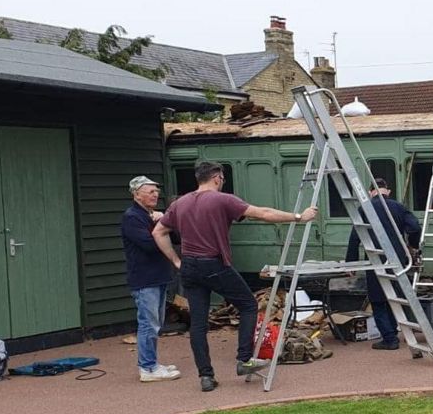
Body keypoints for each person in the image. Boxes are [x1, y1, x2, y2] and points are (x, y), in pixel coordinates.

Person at [152, 161, 318, 392]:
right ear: (218, 177)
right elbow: (263, 213)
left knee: (198, 324)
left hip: (189, 267)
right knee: (248, 305)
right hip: (214, 264)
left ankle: (206, 377)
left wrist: (176, 261)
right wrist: (300, 216)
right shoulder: (223, 199)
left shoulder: (180, 203)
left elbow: (158, 231)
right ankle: (244, 360)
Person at [345, 178, 421, 351]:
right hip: (398, 257)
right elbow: (415, 227)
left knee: (378, 299)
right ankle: (396, 329)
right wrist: (413, 246)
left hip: (376, 258)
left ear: (370, 191)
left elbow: (355, 237)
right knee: (396, 295)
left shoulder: (365, 208)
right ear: (388, 191)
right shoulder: (398, 207)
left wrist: (351, 263)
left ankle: (389, 338)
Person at [120, 176, 182, 383]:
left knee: (156, 323)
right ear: (136, 194)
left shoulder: (153, 215)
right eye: (150, 191)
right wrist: (159, 225)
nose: (155, 195)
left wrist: (165, 221)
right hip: (144, 279)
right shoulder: (132, 217)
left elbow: (176, 238)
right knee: (148, 323)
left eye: (156, 191)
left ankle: (152, 362)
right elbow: (149, 244)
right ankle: (147, 368)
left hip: (160, 276)